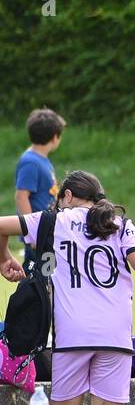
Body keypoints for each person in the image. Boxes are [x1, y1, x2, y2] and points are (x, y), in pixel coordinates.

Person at [0, 170, 135, 405]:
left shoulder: (54, 221)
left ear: (67, 196)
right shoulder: (120, 224)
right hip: (116, 336)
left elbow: (0, 226)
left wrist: (4, 258)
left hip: (73, 336)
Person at [5, 107, 63, 279]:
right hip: (38, 237)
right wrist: (32, 233)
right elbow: (21, 196)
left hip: (47, 235)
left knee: (50, 281)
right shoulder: (30, 162)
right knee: (35, 282)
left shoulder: (42, 160)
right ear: (55, 137)